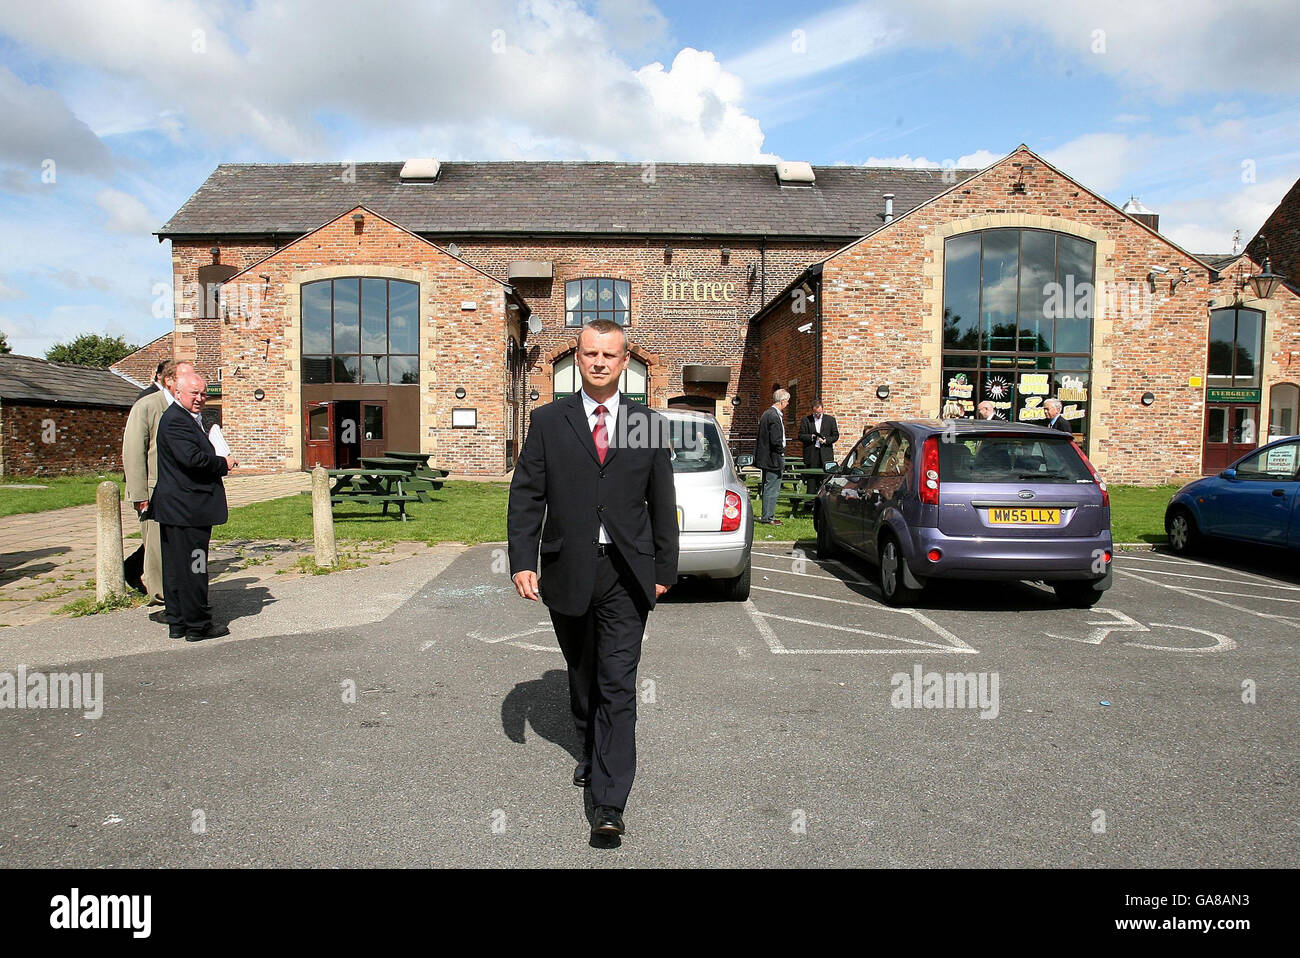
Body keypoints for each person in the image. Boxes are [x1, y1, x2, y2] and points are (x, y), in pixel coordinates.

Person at [507, 320, 678, 842]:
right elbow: (527, 496)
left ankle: (608, 802)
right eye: (589, 354)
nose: (599, 362)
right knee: (582, 677)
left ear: (625, 362)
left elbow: (661, 501)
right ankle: (589, 744)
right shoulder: (549, 421)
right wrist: (522, 559)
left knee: (618, 683)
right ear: (576, 360)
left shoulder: (644, 423)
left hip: (628, 572)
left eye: (610, 354)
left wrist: (664, 570)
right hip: (570, 568)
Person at [150, 371, 236, 641]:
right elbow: (193, 460)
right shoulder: (176, 421)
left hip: (179, 508)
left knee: (177, 569)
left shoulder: (184, 419)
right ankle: (198, 625)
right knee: (194, 568)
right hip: (187, 509)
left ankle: (178, 623)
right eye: (194, 394)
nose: (200, 398)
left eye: (203, 394)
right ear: (177, 393)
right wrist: (224, 463)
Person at [122, 360, 193, 603]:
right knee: (155, 548)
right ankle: (161, 598)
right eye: (185, 377)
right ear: (169, 381)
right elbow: (133, 452)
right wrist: (139, 494)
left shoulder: (188, 407)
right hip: (155, 491)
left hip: (182, 491)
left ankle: (178, 592)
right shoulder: (148, 405)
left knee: (176, 546)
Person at [754, 389, 790, 525]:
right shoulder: (774, 416)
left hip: (766, 457)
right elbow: (776, 440)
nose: (787, 404)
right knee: (772, 487)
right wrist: (781, 451)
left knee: (768, 486)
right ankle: (768, 517)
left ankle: (767, 515)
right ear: (781, 401)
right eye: (786, 402)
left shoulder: (766, 414)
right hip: (773, 458)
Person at [798, 399, 839, 494]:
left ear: (823, 409)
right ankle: (809, 503)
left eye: (820, 412)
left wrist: (826, 440)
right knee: (811, 479)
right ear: (812, 410)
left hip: (825, 453)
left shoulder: (830, 420)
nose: (818, 415)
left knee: (825, 478)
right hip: (812, 453)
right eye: (816, 413)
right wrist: (812, 437)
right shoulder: (806, 420)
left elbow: (835, 435)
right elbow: (800, 435)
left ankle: (823, 502)